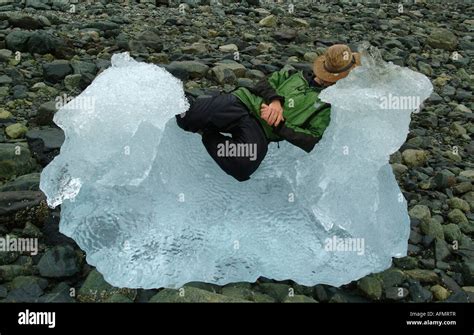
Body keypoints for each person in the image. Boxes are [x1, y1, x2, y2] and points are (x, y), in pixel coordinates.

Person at [175, 44, 361, 182]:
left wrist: (279, 125)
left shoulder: (328, 106)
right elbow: (261, 83)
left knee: (242, 167)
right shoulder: (293, 75)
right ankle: (171, 94)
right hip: (242, 102)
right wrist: (275, 101)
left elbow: (312, 140)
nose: (328, 81)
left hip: (261, 132)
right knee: (185, 117)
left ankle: (208, 133)